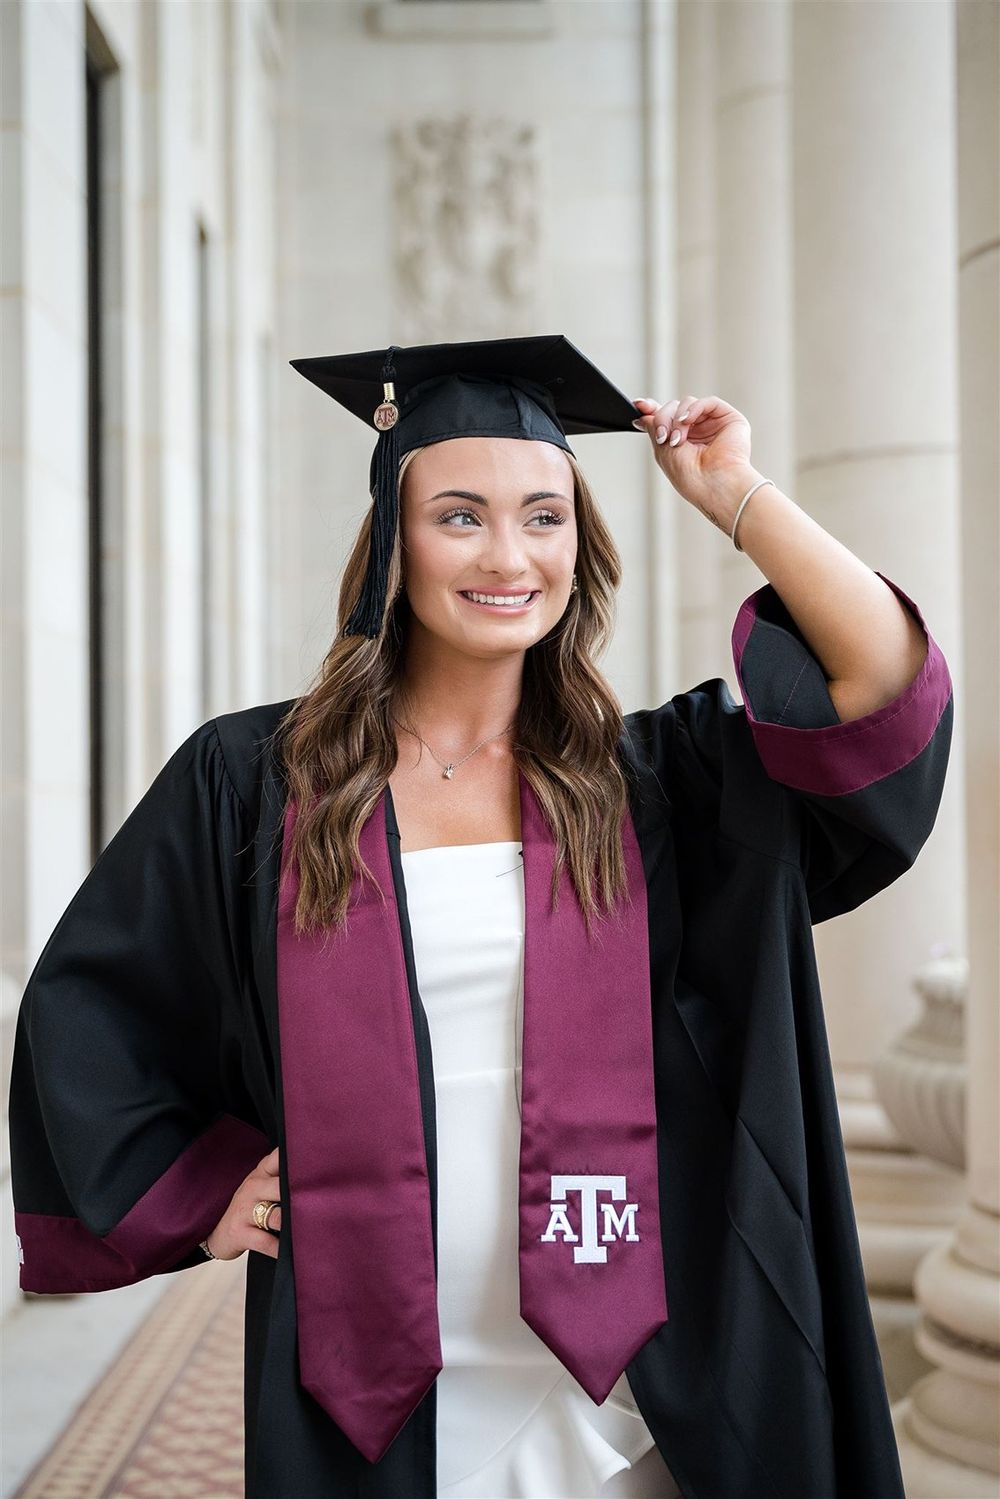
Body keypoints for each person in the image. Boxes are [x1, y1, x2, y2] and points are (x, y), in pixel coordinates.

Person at [9, 335, 953, 1499]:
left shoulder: (663, 783)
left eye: (544, 518)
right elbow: (92, 1002)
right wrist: (196, 1186)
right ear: (391, 544)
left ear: (579, 546)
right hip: (376, 1361)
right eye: (459, 514)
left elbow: (883, 690)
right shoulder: (253, 779)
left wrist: (736, 496)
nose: (508, 553)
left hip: (651, 1363)